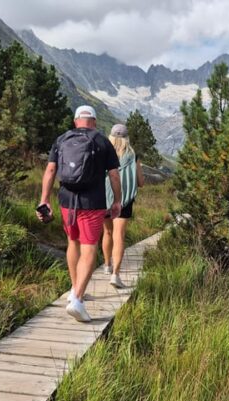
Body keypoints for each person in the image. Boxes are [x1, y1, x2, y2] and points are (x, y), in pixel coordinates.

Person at [37, 105, 122, 322]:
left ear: (76, 121)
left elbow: (50, 170)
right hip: (92, 203)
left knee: (72, 242)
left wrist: (44, 199)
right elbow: (113, 175)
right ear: (94, 121)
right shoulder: (103, 141)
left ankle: (75, 290)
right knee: (89, 248)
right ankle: (77, 298)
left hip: (67, 201)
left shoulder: (62, 139)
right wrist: (117, 201)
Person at [102, 124, 145, 288]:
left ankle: (107, 265)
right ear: (127, 138)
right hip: (124, 201)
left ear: (110, 136)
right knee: (119, 235)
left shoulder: (104, 153)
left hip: (104, 198)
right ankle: (116, 275)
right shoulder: (133, 156)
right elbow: (140, 182)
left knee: (107, 232)